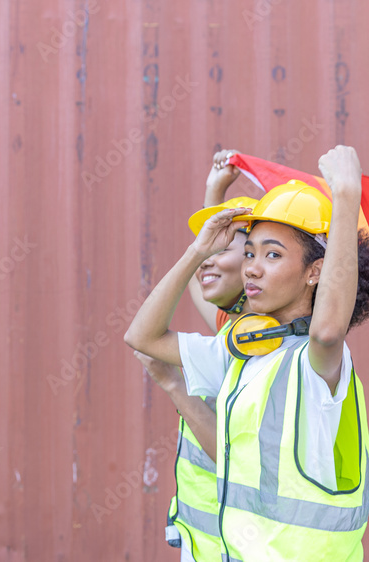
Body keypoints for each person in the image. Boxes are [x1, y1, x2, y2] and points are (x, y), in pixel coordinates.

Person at [124, 145, 369, 561]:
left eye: (272, 255)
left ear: (314, 272)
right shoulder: (244, 351)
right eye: (249, 254)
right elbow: (142, 336)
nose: (251, 267)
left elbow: (326, 331)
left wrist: (346, 195)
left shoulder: (314, 360)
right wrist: (199, 250)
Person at [133, 150, 255, 561]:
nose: (208, 259)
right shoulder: (236, 329)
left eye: (225, 249)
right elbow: (198, 280)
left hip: (236, 545)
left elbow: (233, 457)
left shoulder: (260, 344)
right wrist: (215, 191)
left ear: (255, 265)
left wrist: (171, 382)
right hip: (213, 540)